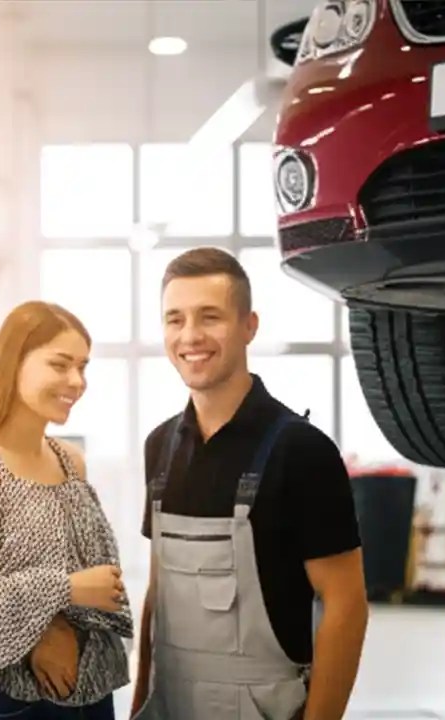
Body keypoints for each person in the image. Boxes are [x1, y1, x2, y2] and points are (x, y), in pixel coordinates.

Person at [131, 247, 368, 720]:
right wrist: (139, 704)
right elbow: (157, 595)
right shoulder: (160, 447)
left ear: (249, 326)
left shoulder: (302, 452)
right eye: (174, 320)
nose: (190, 336)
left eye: (210, 317)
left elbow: (346, 605)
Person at [0, 301, 134, 720]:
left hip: (93, 693)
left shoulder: (71, 461)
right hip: (17, 703)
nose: (76, 381)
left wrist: (66, 616)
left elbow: (105, 587)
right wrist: (56, 602)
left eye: (83, 367)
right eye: (59, 364)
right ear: (14, 364)